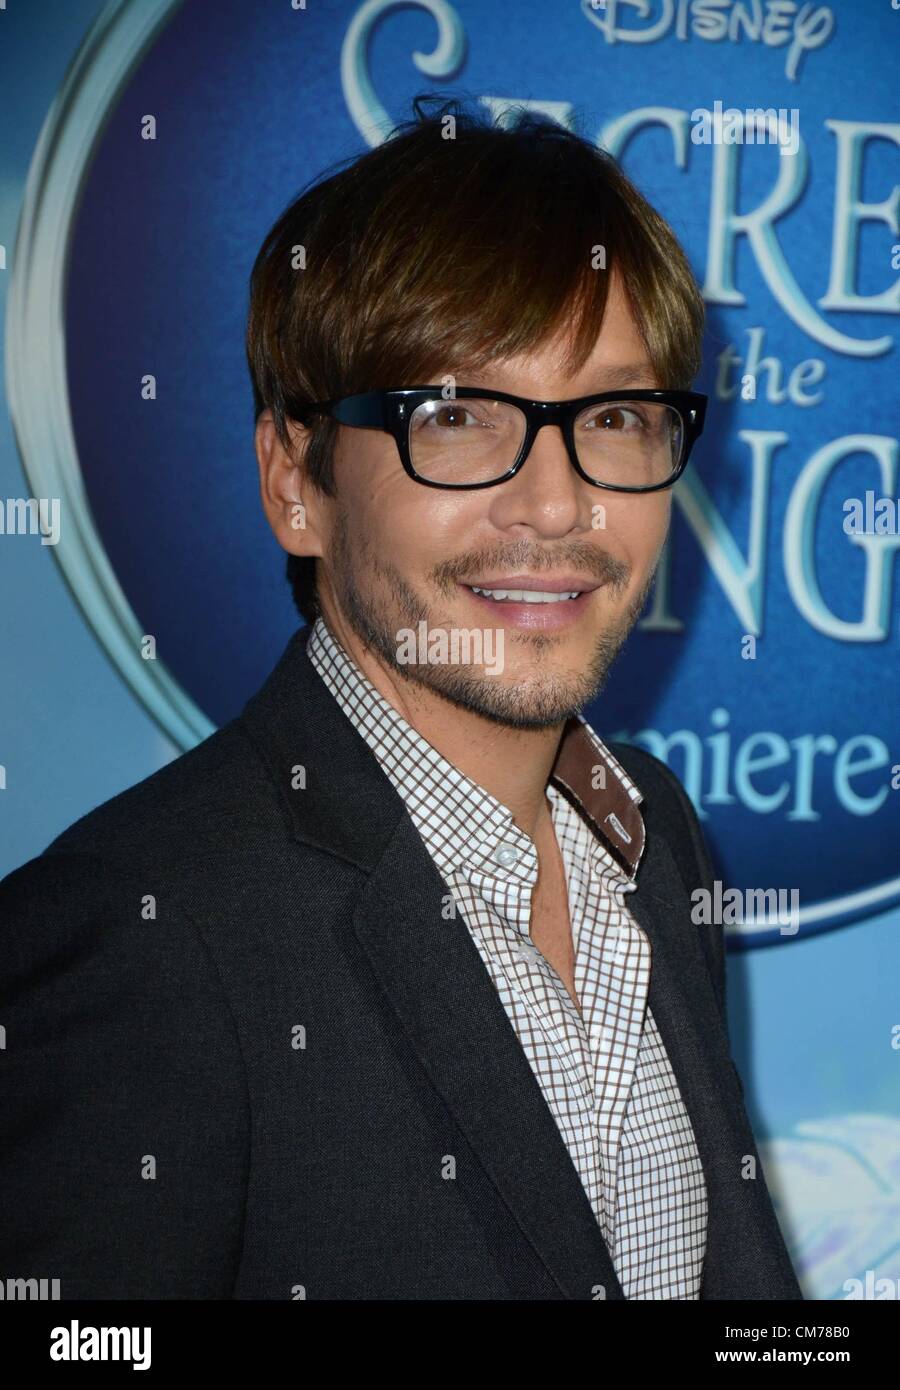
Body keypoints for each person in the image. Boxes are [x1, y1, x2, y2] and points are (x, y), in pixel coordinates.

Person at [0, 97, 802, 1300]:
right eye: (460, 416)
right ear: (296, 481)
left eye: (617, 417)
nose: (551, 506)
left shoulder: (657, 837)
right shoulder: (143, 931)